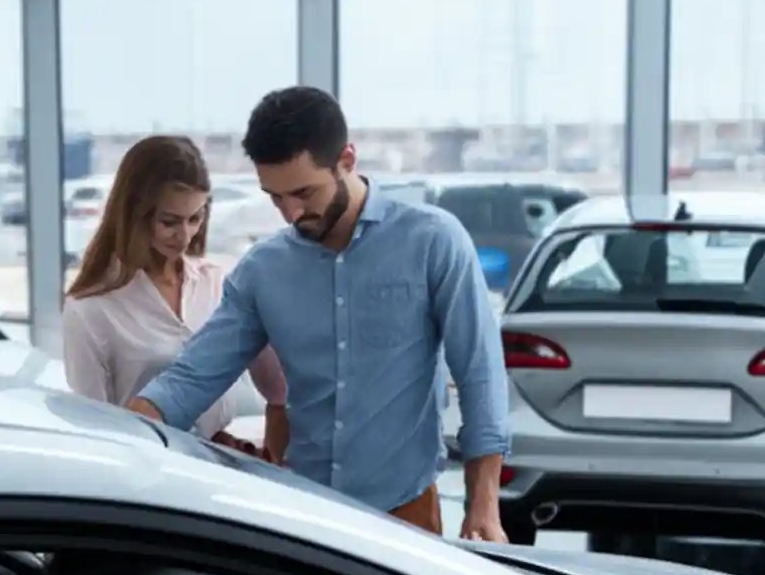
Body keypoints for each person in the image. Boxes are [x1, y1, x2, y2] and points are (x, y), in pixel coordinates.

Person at [127, 87, 511, 540]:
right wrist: (120, 438)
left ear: (346, 160)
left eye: (303, 193)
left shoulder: (433, 242)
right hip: (303, 517)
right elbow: (189, 381)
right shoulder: (262, 271)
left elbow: (480, 373)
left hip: (404, 514)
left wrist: (484, 503)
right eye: (274, 197)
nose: (290, 212)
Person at [63, 135, 287, 453]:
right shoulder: (89, 308)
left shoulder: (217, 282)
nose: (184, 235)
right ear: (135, 213)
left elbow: (279, 387)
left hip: (224, 463)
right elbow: (93, 431)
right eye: (169, 222)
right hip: (145, 478)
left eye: (195, 219)